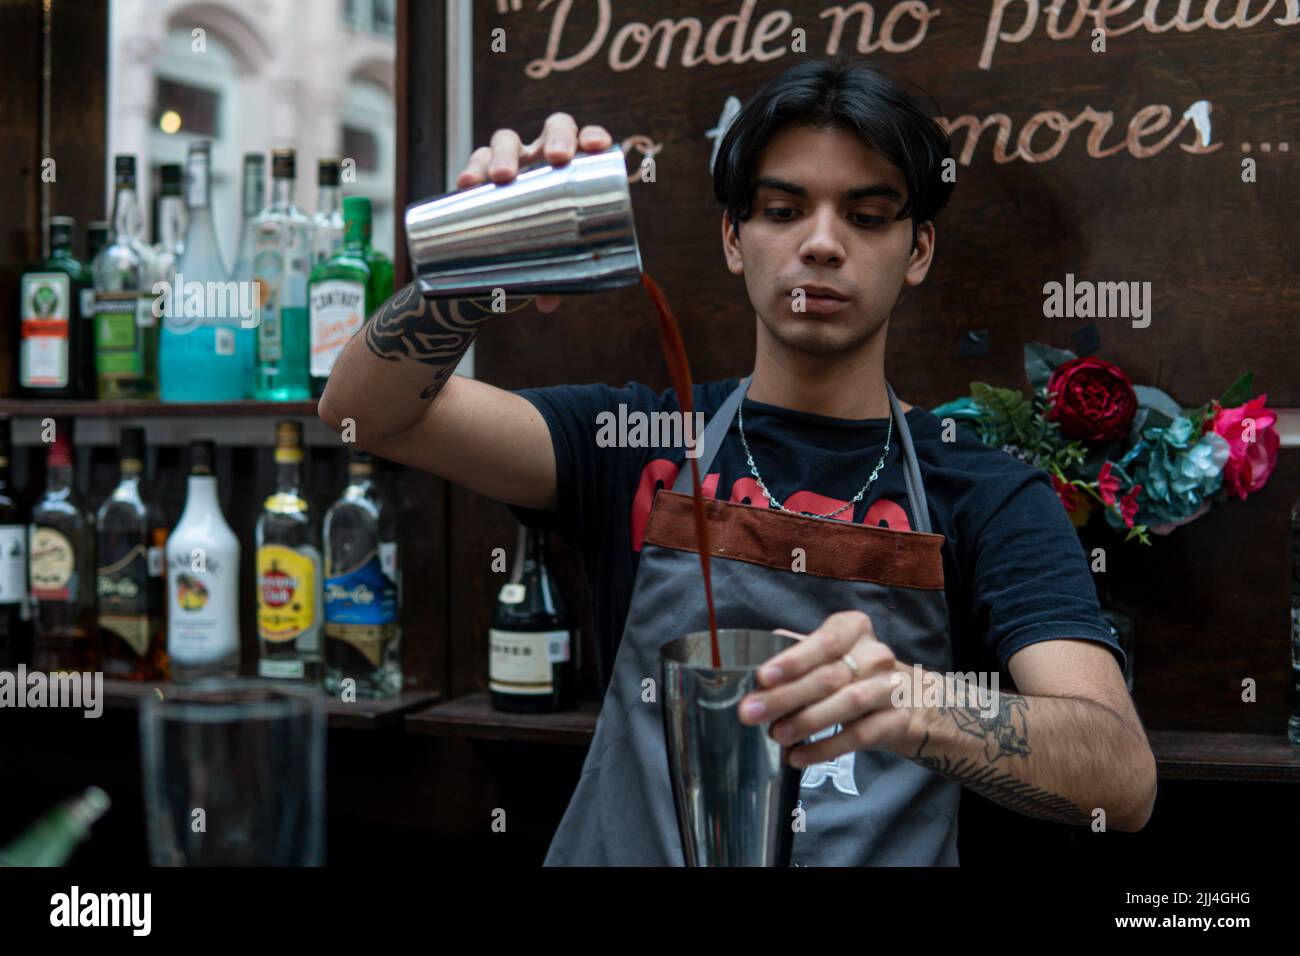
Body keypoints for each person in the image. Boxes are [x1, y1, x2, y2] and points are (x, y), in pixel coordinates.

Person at [321, 58, 1156, 866]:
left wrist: (905, 699)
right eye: (784, 209)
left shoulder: (988, 495)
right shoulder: (633, 439)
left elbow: (1119, 778)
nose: (822, 244)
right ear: (733, 236)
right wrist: (468, 268)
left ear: (919, 250)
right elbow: (366, 411)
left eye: (867, 217)